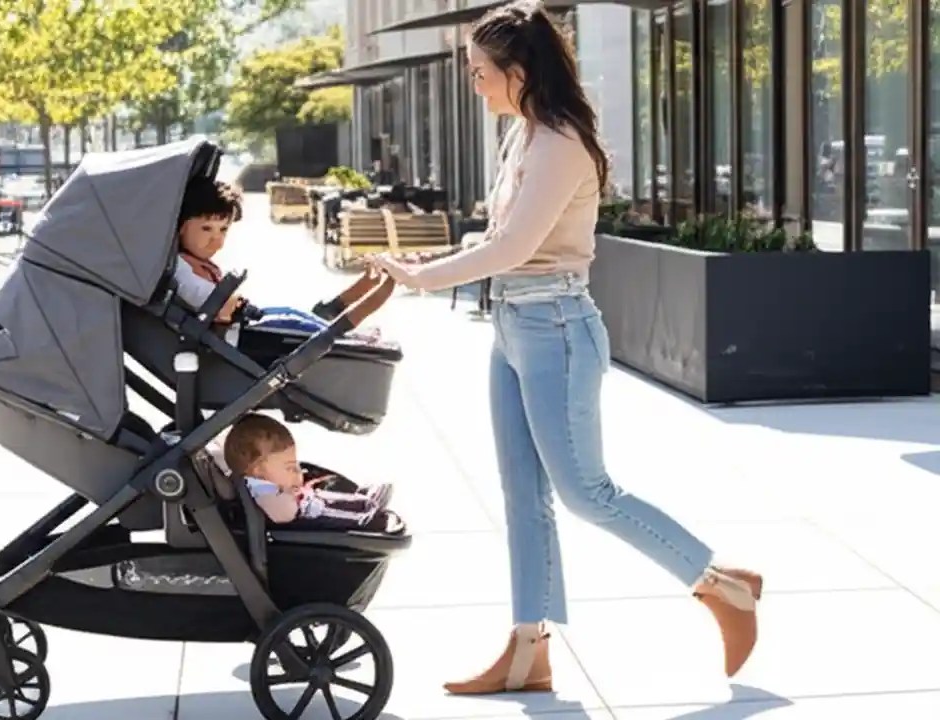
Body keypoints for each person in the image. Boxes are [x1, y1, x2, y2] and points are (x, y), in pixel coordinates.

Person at [368, 0, 762, 695]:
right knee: (523, 494)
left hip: (556, 328)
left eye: (480, 71)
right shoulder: (521, 135)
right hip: (514, 326)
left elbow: (516, 246)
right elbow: (508, 239)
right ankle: (528, 651)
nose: (475, 83)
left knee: (586, 493)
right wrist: (459, 258)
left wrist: (424, 275)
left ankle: (721, 583)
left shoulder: (559, 142)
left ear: (518, 71)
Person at [172, 176, 382, 335]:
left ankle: (343, 335)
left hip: (243, 321)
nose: (216, 241)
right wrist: (230, 301)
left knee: (292, 314)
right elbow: (210, 301)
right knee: (293, 325)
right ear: (180, 227)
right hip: (235, 335)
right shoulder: (179, 268)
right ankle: (341, 337)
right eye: (206, 229)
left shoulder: (194, 263)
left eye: (223, 230)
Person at [222, 413, 394, 529]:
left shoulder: (258, 484)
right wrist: (290, 498)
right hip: (307, 515)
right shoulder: (263, 493)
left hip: (306, 503)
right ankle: (366, 514)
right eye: (290, 468)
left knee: (320, 497)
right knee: (328, 511)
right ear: (258, 471)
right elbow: (284, 514)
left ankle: (361, 500)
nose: (298, 473)